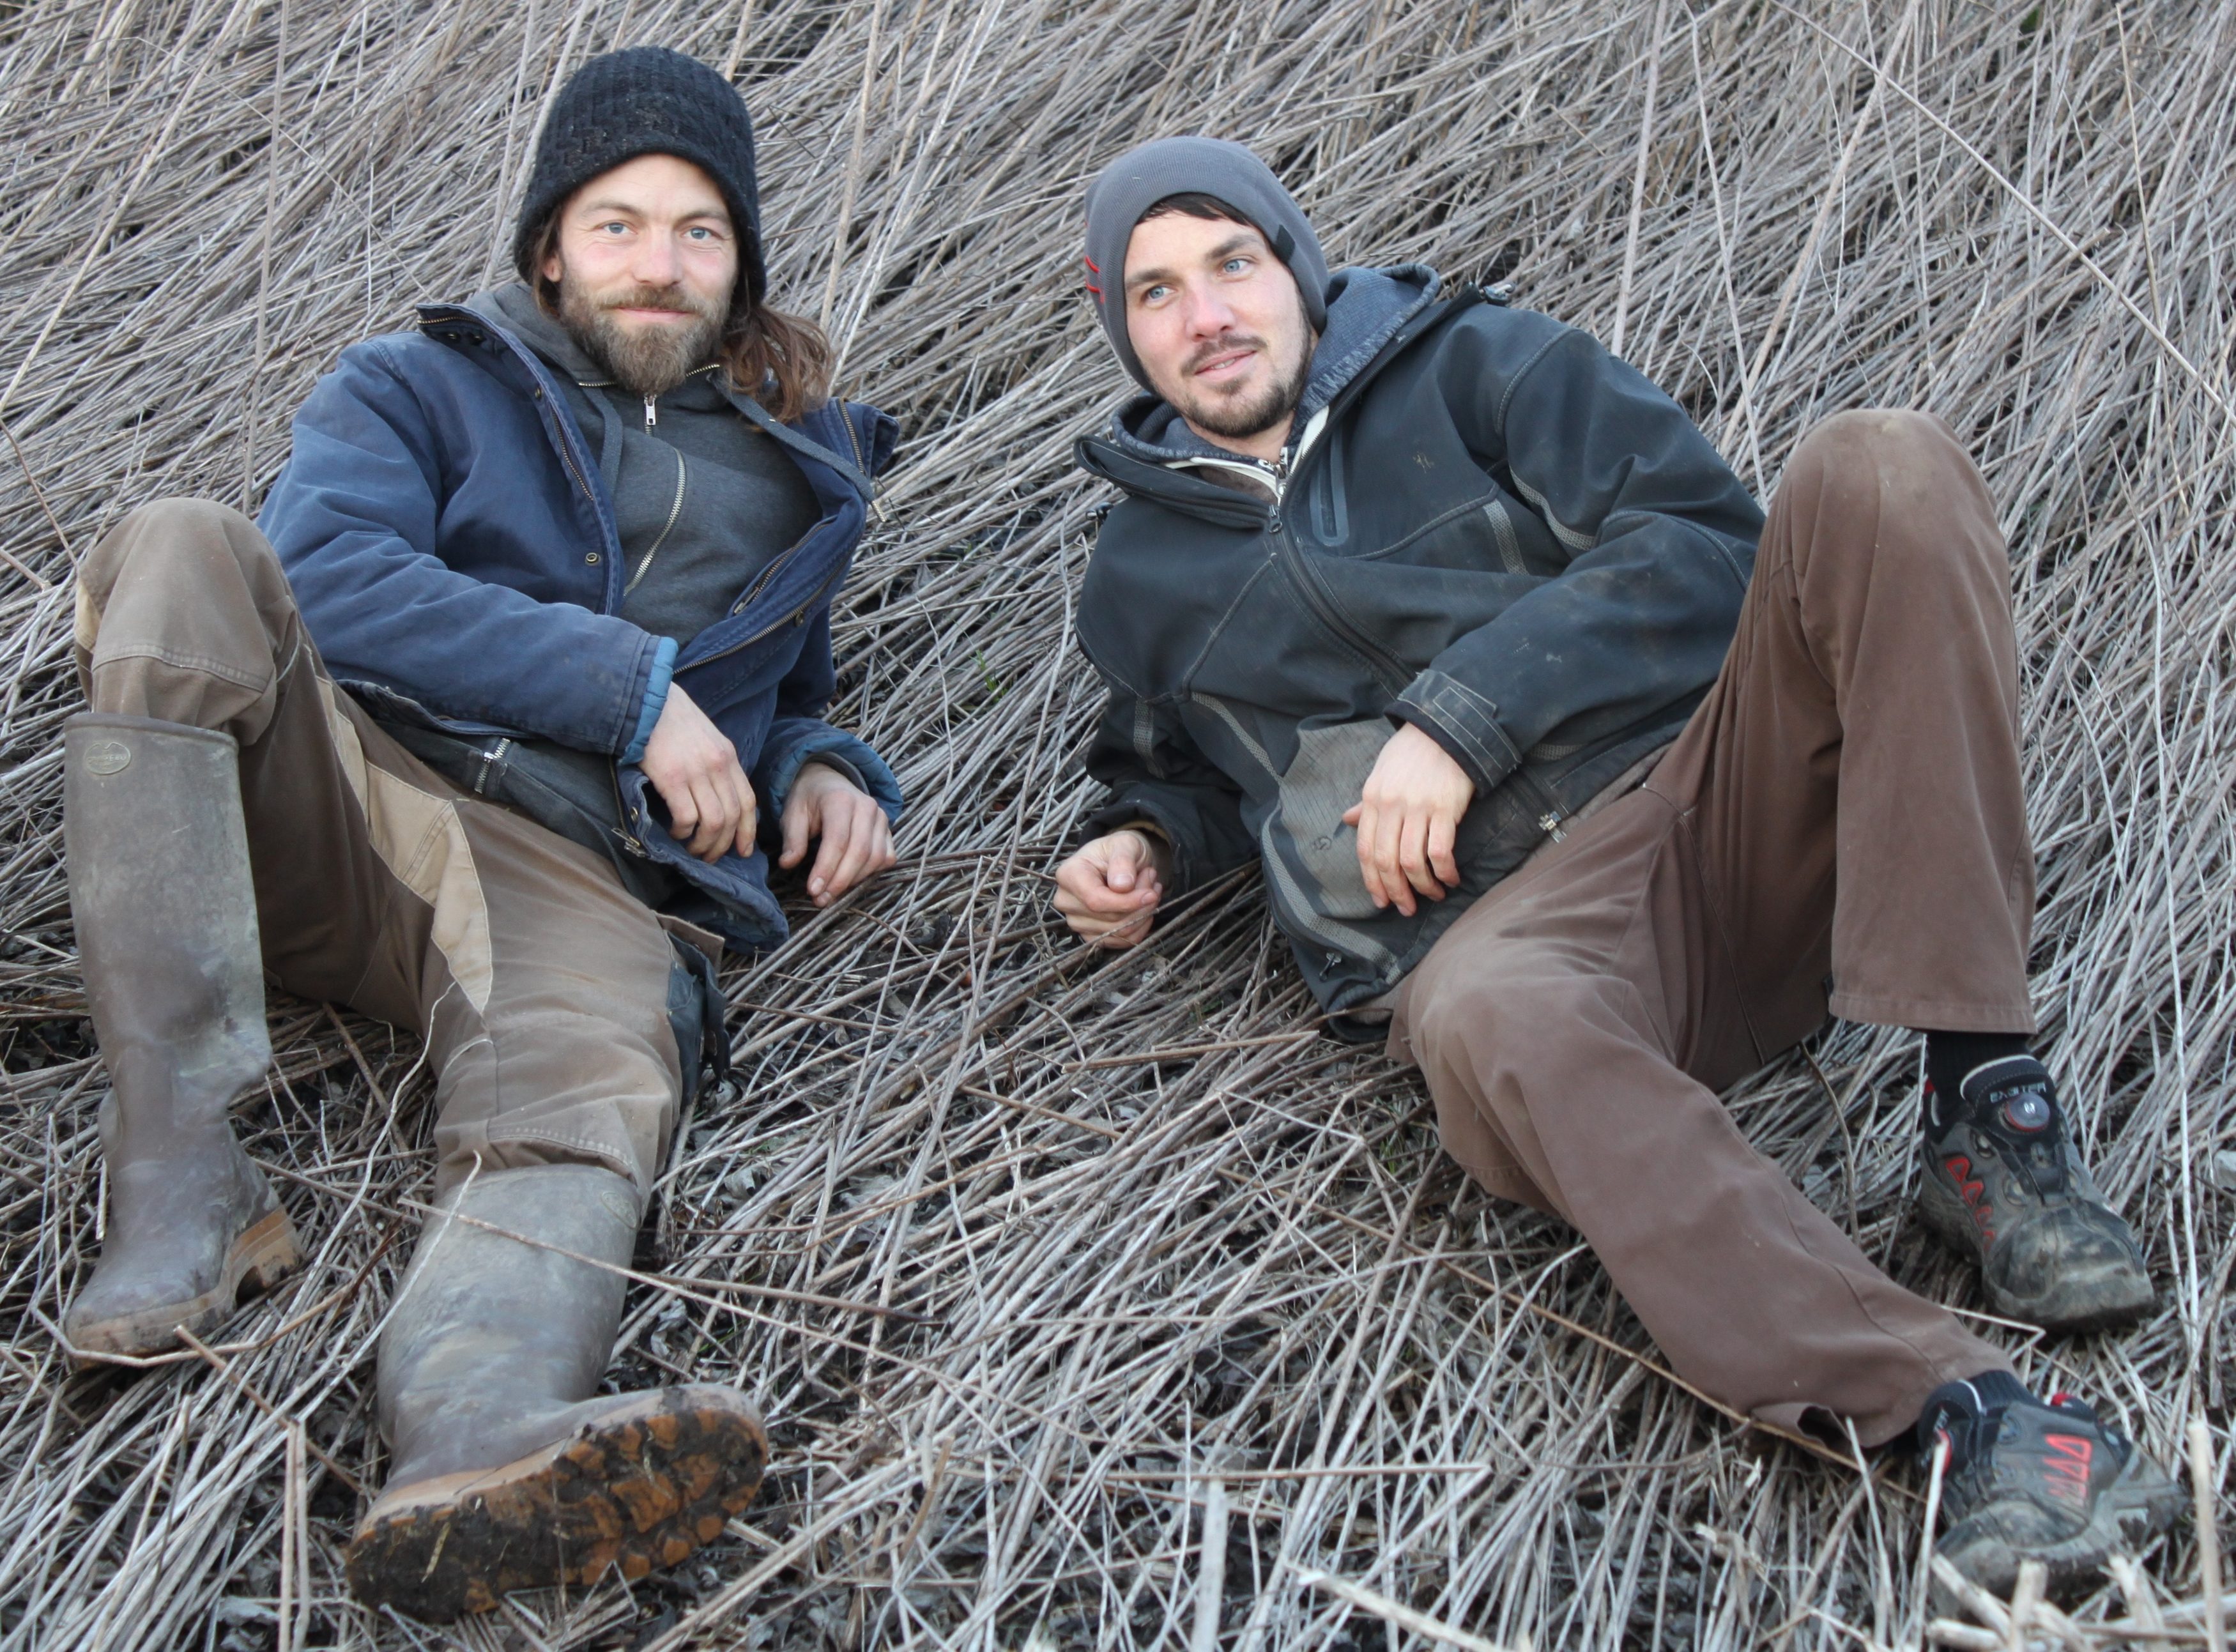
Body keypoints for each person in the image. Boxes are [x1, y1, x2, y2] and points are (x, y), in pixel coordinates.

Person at [1053, 136, 2180, 1593]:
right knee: (1483, 1016)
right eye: (1156, 291)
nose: (1206, 313)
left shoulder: (1474, 366)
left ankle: (1984, 1116)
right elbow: (1190, 775)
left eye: (1231, 263)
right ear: (1124, 332)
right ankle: (1965, 1415)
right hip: (1520, 946)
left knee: (1879, 469)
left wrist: (1460, 716)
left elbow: (1706, 544)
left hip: (1724, 802)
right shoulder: (1136, 578)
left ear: (1294, 266)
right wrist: (1137, 846)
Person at [59, 49, 900, 1621]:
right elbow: (329, 572)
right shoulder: (417, 382)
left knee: (598, 1070)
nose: (659, 262)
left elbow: (780, 700)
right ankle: (178, 1178)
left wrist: (826, 768)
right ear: (546, 247)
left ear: (742, 264)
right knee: (178, 553)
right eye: (619, 223)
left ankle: (474, 1418)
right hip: (349, 792)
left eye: (700, 231)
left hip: (570, 869)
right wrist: (631, 689)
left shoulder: (793, 479)